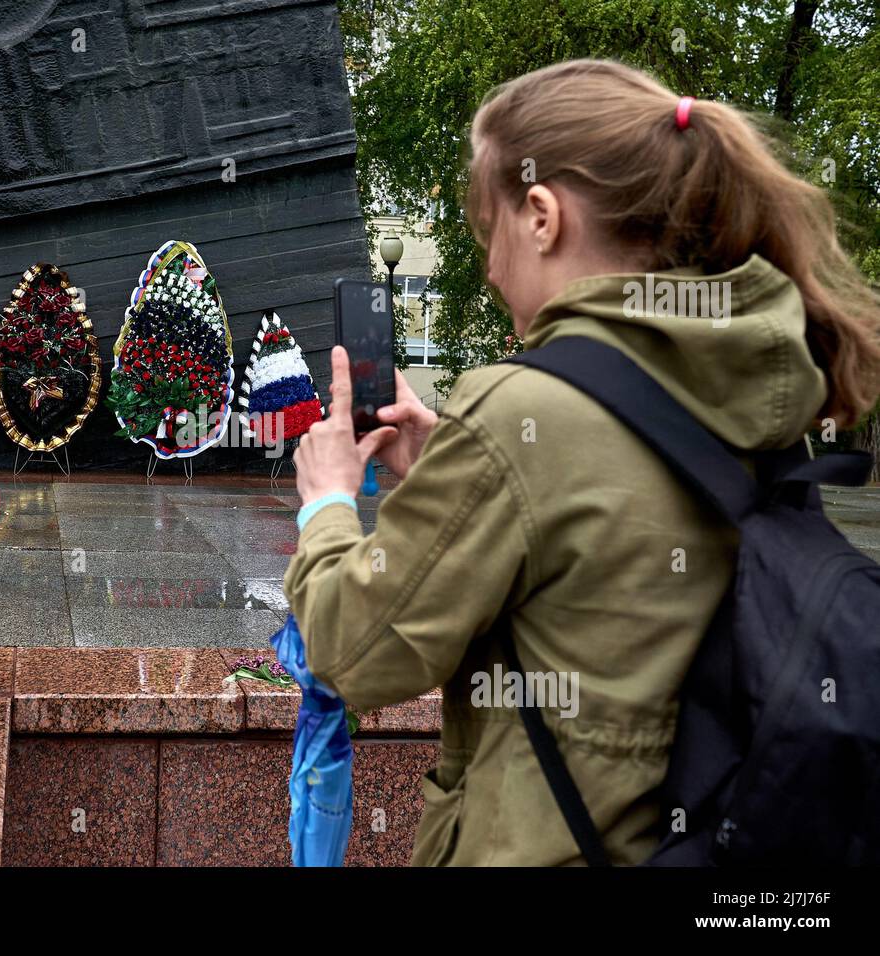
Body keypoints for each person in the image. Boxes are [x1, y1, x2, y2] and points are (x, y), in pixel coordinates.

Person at [284, 59, 880, 866]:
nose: (490, 267)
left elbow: (355, 653)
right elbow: (595, 578)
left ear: (541, 215)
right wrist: (454, 479)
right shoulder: (751, 386)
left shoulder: (523, 410)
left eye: (484, 225)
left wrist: (325, 505)